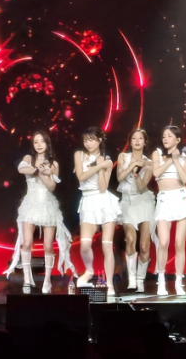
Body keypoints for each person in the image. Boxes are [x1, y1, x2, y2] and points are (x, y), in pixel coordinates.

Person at [4, 131, 75, 293]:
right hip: (30, 204)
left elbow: (52, 186)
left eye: (42, 141)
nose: (39, 145)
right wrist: (39, 170)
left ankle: (47, 281)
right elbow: (21, 169)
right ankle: (27, 280)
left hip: (47, 205)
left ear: (47, 143)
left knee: (48, 246)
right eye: (36, 142)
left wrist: (44, 174)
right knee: (27, 242)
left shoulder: (53, 164)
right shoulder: (29, 159)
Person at [151, 125, 186, 295]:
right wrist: (170, 159)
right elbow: (156, 173)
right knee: (163, 242)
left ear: (177, 140)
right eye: (164, 136)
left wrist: (177, 160)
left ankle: (179, 282)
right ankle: (161, 281)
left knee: (179, 243)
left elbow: (185, 179)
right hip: (164, 199)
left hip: (181, 198)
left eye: (169, 136)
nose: (165, 139)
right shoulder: (157, 154)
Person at [75, 127, 120, 297]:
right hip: (87, 201)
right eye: (85, 140)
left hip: (104, 201)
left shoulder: (106, 160)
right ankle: (89, 271)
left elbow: (102, 187)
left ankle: (109, 284)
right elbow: (81, 177)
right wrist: (100, 165)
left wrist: (102, 167)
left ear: (99, 140)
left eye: (91, 140)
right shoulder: (79, 155)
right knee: (85, 244)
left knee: (107, 245)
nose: (87, 143)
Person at [116, 128, 154, 292]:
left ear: (145, 142)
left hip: (144, 201)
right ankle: (131, 278)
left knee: (144, 245)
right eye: (134, 138)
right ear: (130, 142)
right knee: (130, 239)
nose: (137, 141)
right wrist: (132, 165)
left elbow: (141, 187)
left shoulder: (149, 163)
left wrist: (138, 174)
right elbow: (119, 177)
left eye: (140, 139)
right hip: (127, 201)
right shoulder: (123, 157)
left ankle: (140, 279)